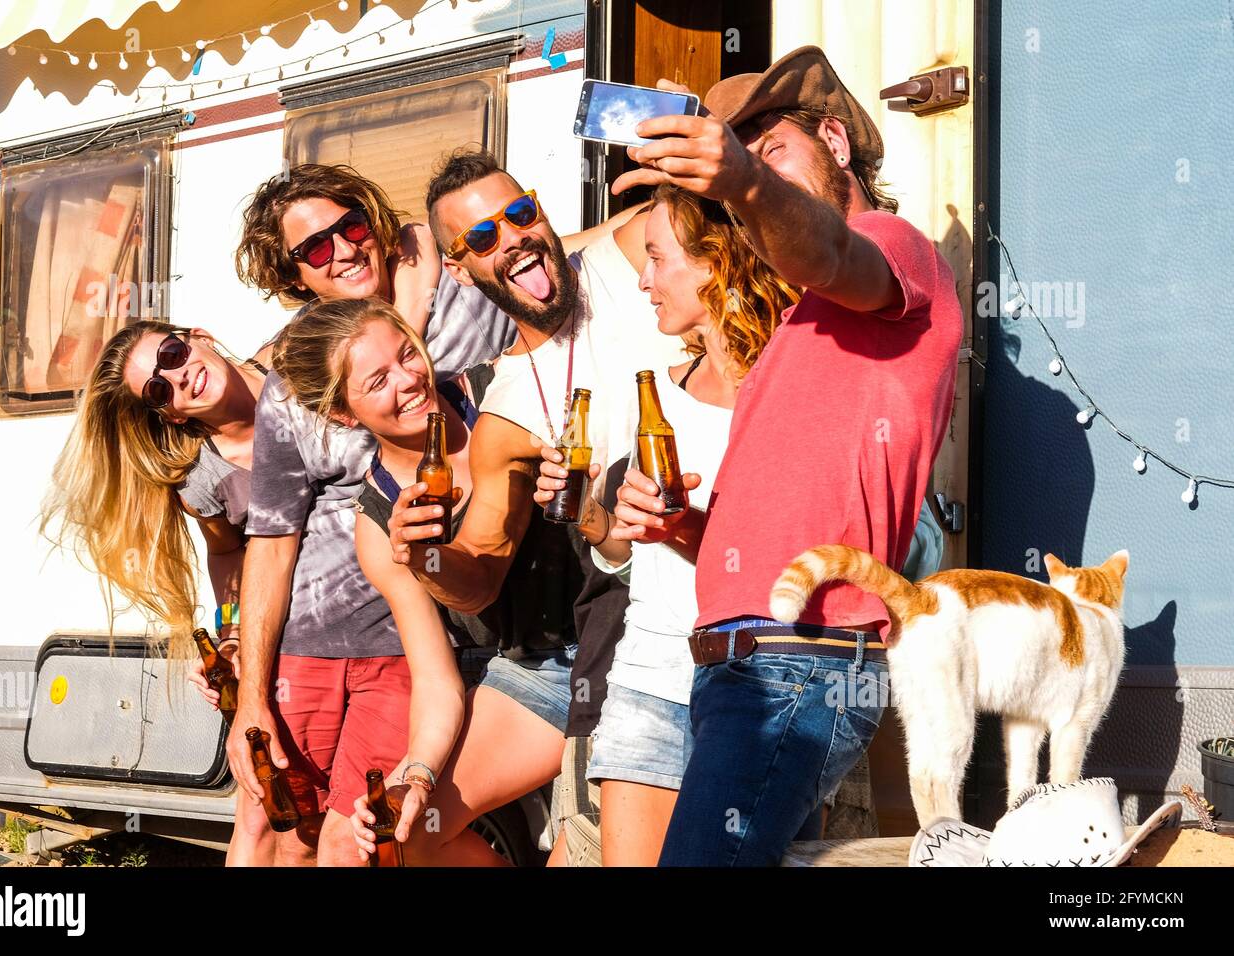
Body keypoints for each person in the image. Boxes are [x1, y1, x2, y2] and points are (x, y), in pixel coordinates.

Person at [610, 45, 964, 866]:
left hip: (795, 661)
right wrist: (682, 528)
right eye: (744, 155)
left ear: (835, 143)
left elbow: (833, 251)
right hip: (745, 660)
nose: (756, 170)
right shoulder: (802, 324)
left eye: (774, 146)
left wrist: (740, 180)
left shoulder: (893, 245)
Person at [383, 149, 686, 865]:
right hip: (591, 640)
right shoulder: (508, 411)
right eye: (481, 238)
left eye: (519, 213)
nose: (511, 236)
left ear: (542, 212)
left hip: (683, 616)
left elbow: (707, 203)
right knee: (413, 835)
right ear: (458, 269)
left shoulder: (623, 260)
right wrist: (426, 553)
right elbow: (479, 573)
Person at [226, 163, 517, 866]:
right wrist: (252, 697)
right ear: (294, 275)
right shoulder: (295, 377)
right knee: (269, 830)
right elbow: (270, 537)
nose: (344, 249)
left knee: (360, 841)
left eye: (350, 227)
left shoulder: (461, 303)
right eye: (315, 248)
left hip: (415, 638)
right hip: (311, 637)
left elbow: (558, 261)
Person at [533, 184, 798, 864]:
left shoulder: (797, 380)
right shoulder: (657, 390)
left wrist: (690, 531)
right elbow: (624, 555)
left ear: (716, 260)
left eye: (656, 257)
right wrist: (595, 514)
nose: (645, 280)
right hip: (651, 677)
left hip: (765, 685)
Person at [41, 320, 274, 866]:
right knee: (268, 814)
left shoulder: (295, 366)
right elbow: (225, 553)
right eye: (158, 389)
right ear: (167, 413)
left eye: (172, 353)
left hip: (392, 613)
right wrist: (234, 634)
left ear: (199, 336)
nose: (178, 376)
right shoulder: (200, 476)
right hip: (290, 637)